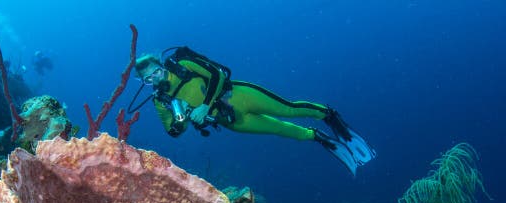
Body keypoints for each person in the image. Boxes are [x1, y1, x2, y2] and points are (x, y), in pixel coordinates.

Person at [131, 47, 375, 175]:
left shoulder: (183, 65)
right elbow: (173, 132)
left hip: (241, 95)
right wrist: (179, 117)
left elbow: (217, 74)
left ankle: (330, 117)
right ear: (144, 82)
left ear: (161, 65)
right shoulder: (161, 100)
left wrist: (204, 104)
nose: (155, 78)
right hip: (232, 121)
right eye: (147, 79)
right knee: (280, 129)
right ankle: (319, 138)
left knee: (289, 110)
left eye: (156, 71)